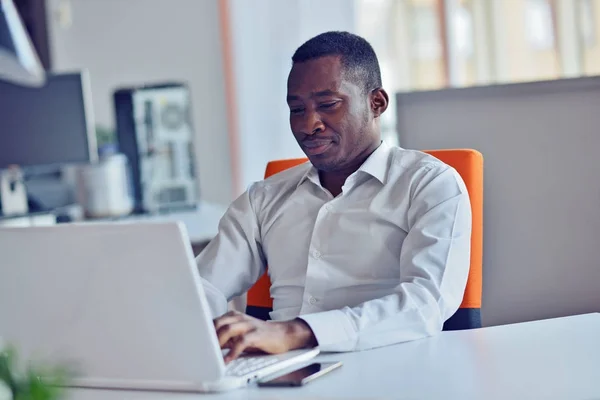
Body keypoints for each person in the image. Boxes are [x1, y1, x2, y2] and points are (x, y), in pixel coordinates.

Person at [196, 31, 471, 363]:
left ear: (376, 103)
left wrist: (295, 332)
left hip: (391, 368)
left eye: (328, 105)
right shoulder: (264, 197)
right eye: (297, 109)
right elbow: (204, 288)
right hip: (277, 371)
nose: (309, 124)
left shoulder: (429, 184)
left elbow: (425, 302)